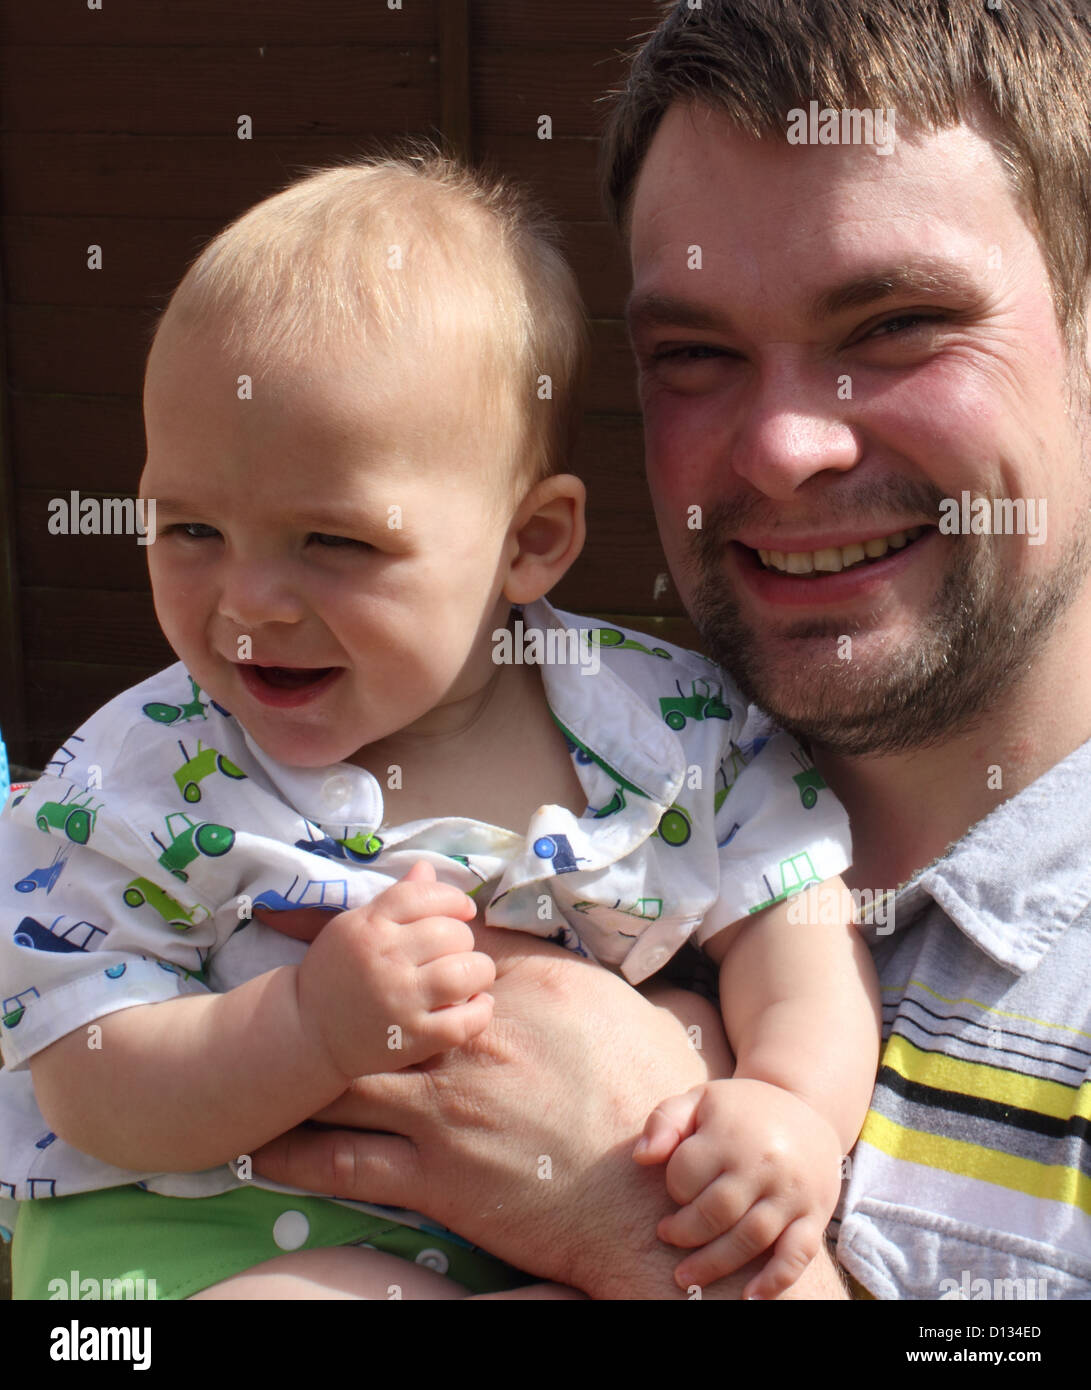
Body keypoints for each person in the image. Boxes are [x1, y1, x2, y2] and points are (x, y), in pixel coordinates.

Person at [243, 0, 1091, 1301]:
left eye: (894, 324)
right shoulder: (470, 804)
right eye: (692, 354)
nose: (780, 446)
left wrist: (641, 1217)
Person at [0, 149, 877, 1301]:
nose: (247, 600)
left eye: (336, 541)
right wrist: (306, 1030)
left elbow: (797, 927)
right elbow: (82, 1063)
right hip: (197, 1252)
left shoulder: (671, 729)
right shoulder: (135, 774)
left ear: (528, 543)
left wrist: (790, 1109)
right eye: (189, 528)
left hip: (540, 1244)